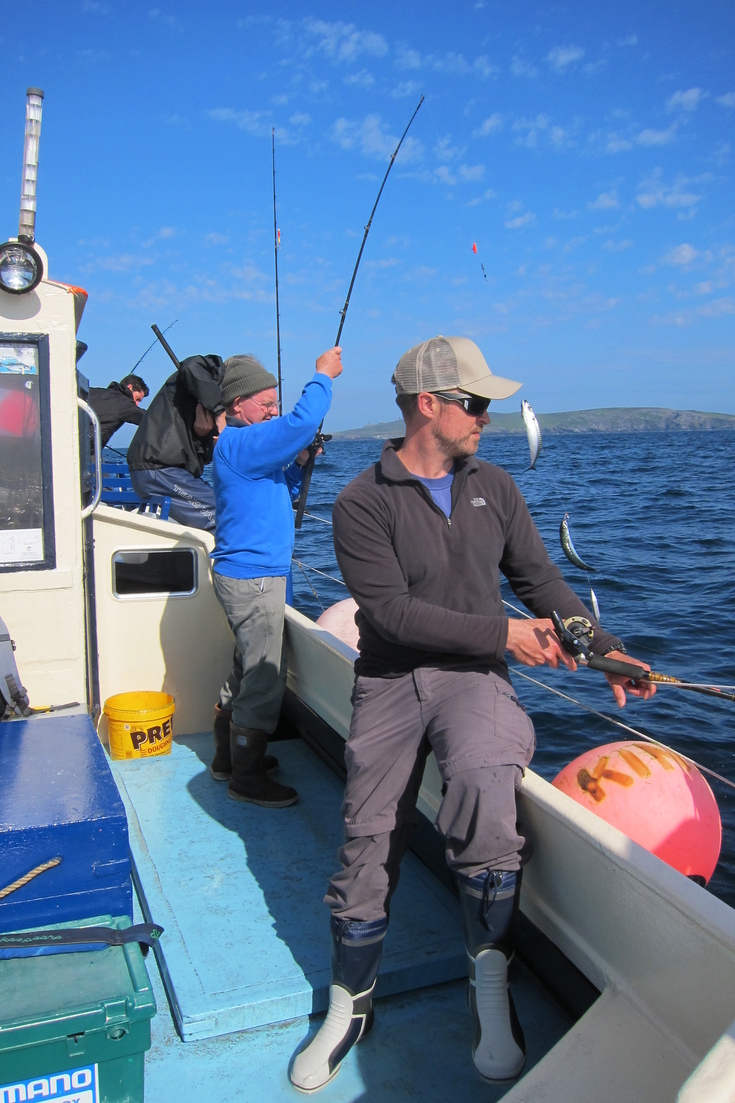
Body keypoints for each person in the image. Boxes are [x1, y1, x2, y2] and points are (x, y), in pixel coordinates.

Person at [289, 335, 656, 1092]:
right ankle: (349, 1001)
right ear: (429, 405)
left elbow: (541, 582)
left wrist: (603, 649)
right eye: (474, 402)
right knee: (367, 834)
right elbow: (387, 615)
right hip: (390, 680)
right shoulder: (361, 500)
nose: (486, 415)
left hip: (473, 678)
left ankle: (487, 981)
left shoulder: (495, 486)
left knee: (486, 785)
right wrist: (507, 633)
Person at [209, 345, 343, 809]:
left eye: (275, 402)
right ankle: (246, 779)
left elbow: (272, 488)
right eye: (264, 403)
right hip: (256, 580)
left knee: (245, 666)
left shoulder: (242, 449)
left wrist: (298, 466)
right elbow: (300, 424)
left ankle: (228, 759)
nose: (272, 409)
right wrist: (322, 376)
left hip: (244, 576)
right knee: (265, 676)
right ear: (237, 407)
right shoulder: (242, 441)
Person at [127, 354, 224, 531]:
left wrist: (203, 435)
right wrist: (219, 411)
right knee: (224, 514)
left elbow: (200, 458)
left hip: (172, 473)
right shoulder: (211, 373)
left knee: (227, 505)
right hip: (159, 470)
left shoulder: (195, 404)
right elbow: (190, 365)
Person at [89, 374, 149, 449]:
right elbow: (148, 418)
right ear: (130, 387)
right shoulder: (123, 404)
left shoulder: (92, 392)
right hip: (87, 450)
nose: (136, 404)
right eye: (137, 399)